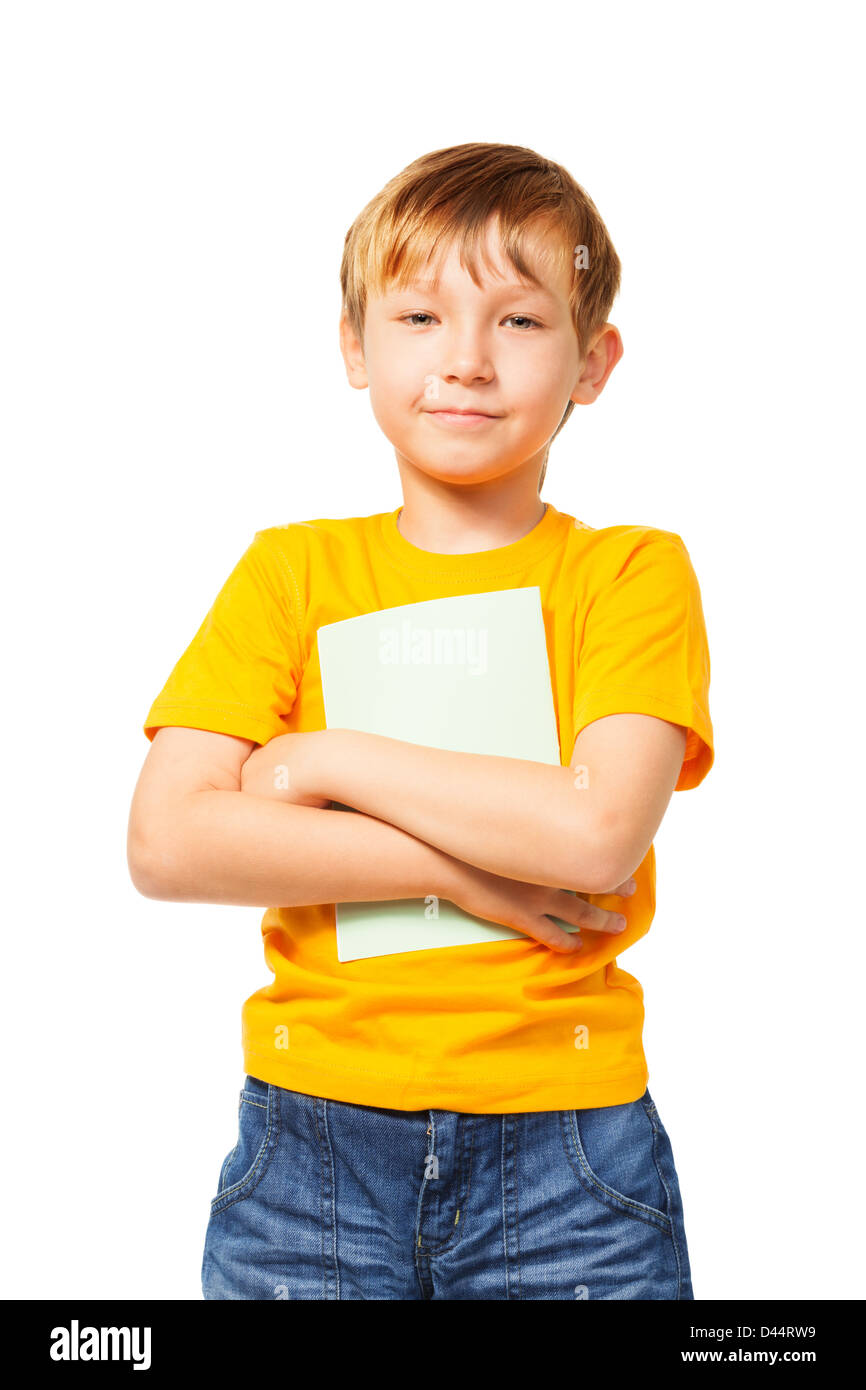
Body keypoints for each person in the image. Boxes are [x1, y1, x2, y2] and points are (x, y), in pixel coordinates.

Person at [128, 141, 714, 1300]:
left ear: (592, 362)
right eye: (416, 316)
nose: (464, 362)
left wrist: (319, 759)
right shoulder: (289, 572)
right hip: (308, 1149)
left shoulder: (628, 574)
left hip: (569, 1156)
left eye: (517, 321)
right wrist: (489, 880)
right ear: (353, 346)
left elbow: (595, 837)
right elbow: (167, 842)